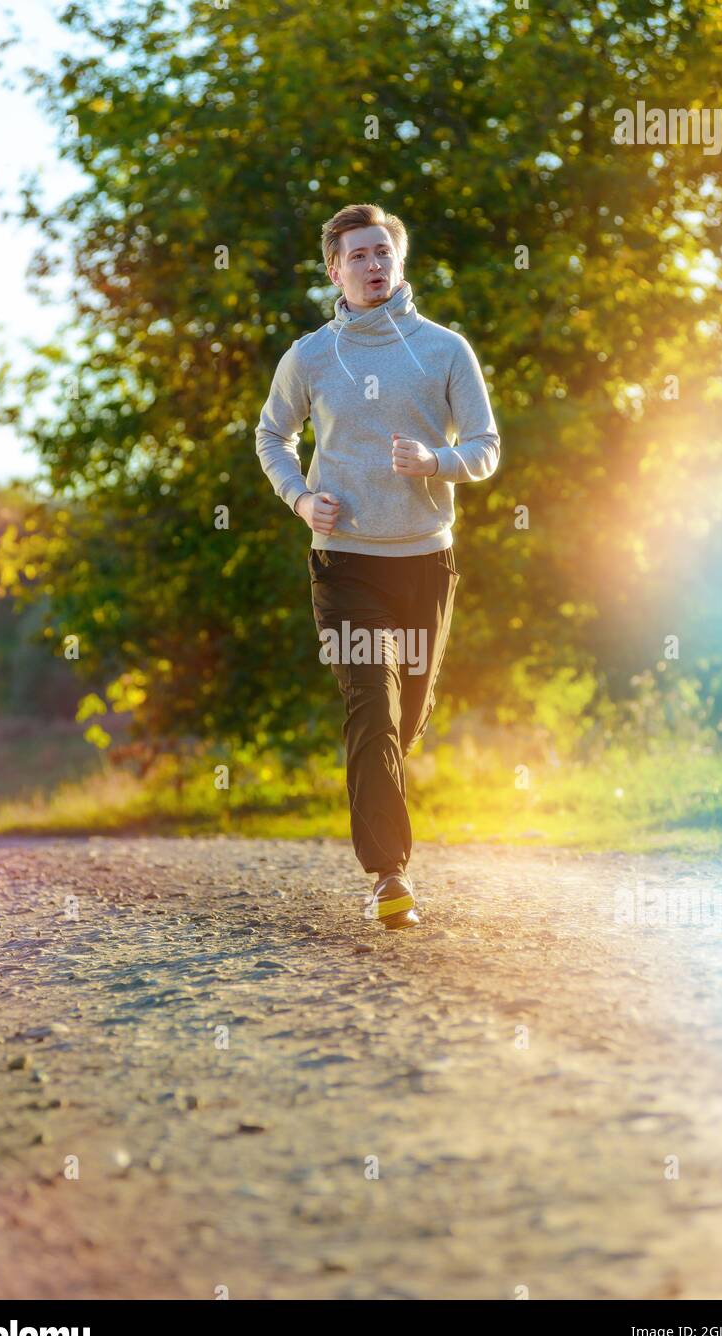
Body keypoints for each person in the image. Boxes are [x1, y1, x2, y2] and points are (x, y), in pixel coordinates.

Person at [255, 203, 500, 927]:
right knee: (370, 707)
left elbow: (484, 447)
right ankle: (388, 875)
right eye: (357, 255)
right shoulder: (309, 356)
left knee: (406, 716)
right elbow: (273, 435)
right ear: (335, 270)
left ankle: (388, 814)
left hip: (425, 560)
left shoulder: (444, 349)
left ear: (398, 262)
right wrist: (300, 499)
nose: (371, 265)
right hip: (345, 564)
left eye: (381, 253)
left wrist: (437, 461)